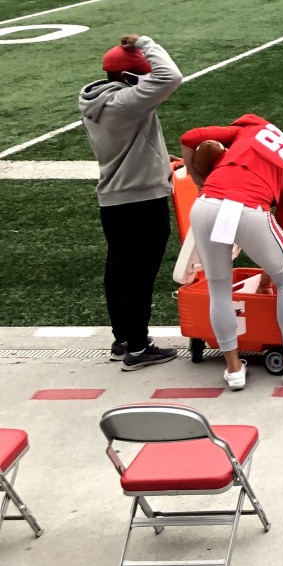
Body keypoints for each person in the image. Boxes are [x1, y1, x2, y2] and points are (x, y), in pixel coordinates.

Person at [179, 114, 283, 388]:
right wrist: (267, 281)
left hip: (206, 204)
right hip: (249, 208)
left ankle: (234, 370)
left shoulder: (255, 126)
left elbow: (189, 138)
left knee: (219, 289)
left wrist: (198, 180)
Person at [79, 34, 184, 370]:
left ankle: (123, 339)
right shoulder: (126, 102)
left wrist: (157, 157)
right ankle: (138, 348)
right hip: (142, 198)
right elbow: (171, 76)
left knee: (119, 269)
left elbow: (129, 145)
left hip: (113, 198)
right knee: (141, 274)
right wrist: (145, 43)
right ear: (127, 77)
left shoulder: (93, 99)